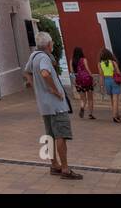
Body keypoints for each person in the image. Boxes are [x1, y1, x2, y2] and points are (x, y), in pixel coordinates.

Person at [25, 30, 81, 179]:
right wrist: (54, 90)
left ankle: (54, 164)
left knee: (49, 135)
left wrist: (36, 87)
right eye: (52, 43)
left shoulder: (33, 55)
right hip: (55, 105)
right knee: (60, 135)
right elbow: (45, 73)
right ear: (48, 45)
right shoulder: (44, 58)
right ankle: (65, 168)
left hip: (44, 105)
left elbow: (27, 72)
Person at [98, 47, 121, 122]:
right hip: (114, 80)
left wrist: (102, 85)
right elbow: (118, 72)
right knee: (116, 99)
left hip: (106, 81)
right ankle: (114, 116)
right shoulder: (113, 62)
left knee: (112, 99)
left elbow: (101, 75)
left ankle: (117, 114)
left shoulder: (100, 64)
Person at [71, 46, 96, 120]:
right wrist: (92, 77)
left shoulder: (72, 60)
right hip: (87, 80)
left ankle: (82, 107)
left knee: (82, 98)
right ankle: (90, 114)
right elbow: (87, 69)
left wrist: (74, 82)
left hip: (78, 80)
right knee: (90, 98)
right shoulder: (83, 59)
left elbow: (72, 72)